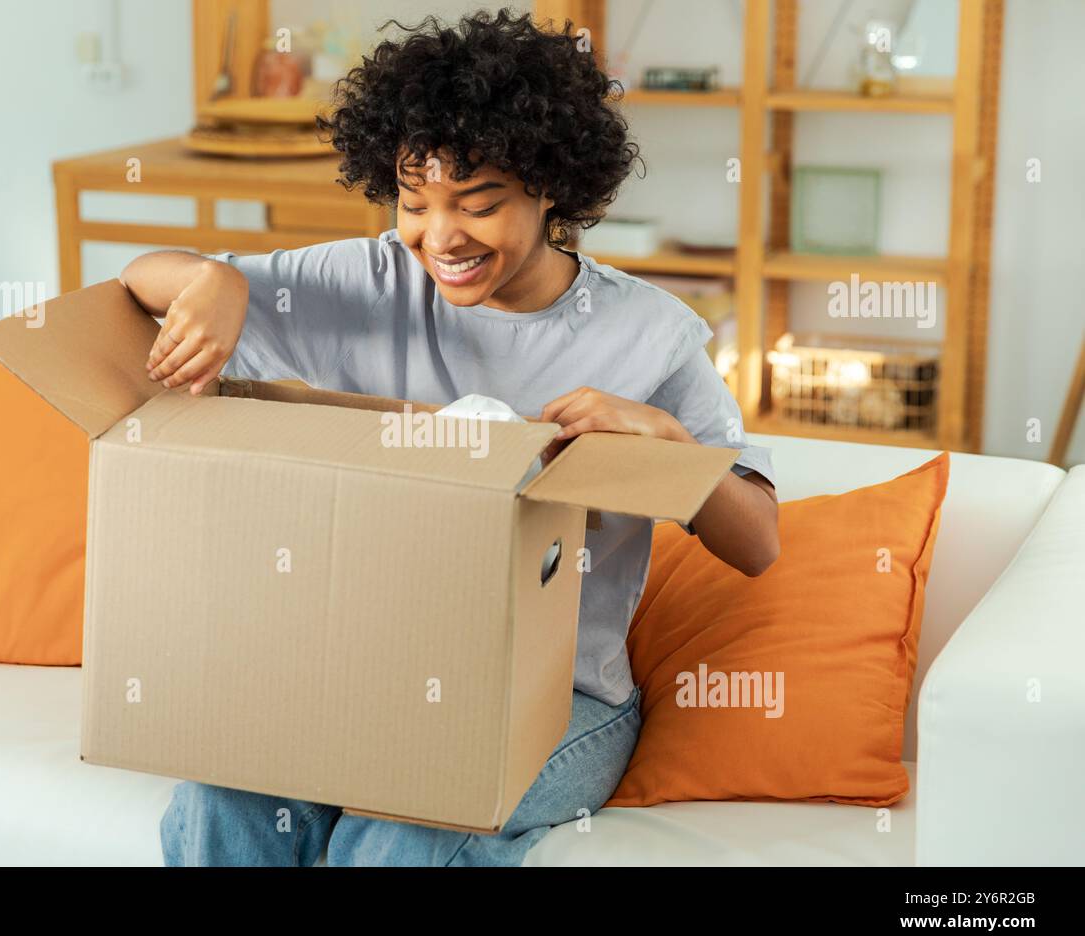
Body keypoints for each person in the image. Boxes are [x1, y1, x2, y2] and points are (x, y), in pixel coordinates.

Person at [121, 9, 779, 867]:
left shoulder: (646, 334)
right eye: (415, 201)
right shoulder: (367, 284)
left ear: (551, 188)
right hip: (364, 671)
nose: (442, 238)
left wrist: (668, 446)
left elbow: (759, 543)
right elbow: (137, 280)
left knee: (399, 829)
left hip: (560, 697)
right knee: (223, 794)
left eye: (478, 204)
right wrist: (212, 279)